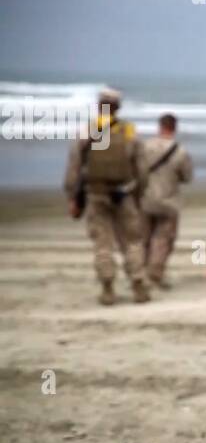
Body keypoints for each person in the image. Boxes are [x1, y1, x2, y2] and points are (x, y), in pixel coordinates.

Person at [64, 87, 150, 305]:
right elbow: (141, 166)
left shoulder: (90, 130)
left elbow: (75, 166)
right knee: (132, 241)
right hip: (124, 193)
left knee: (103, 243)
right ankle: (138, 285)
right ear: (118, 108)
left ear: (99, 106)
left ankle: (108, 289)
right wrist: (139, 194)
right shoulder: (128, 131)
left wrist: (73, 196)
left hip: (96, 194)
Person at [138, 113, 193, 289]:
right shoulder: (180, 151)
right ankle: (155, 274)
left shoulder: (144, 147)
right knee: (163, 240)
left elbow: (135, 170)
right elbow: (187, 177)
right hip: (168, 201)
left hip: (145, 199)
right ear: (175, 128)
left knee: (143, 238)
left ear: (159, 126)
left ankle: (141, 272)